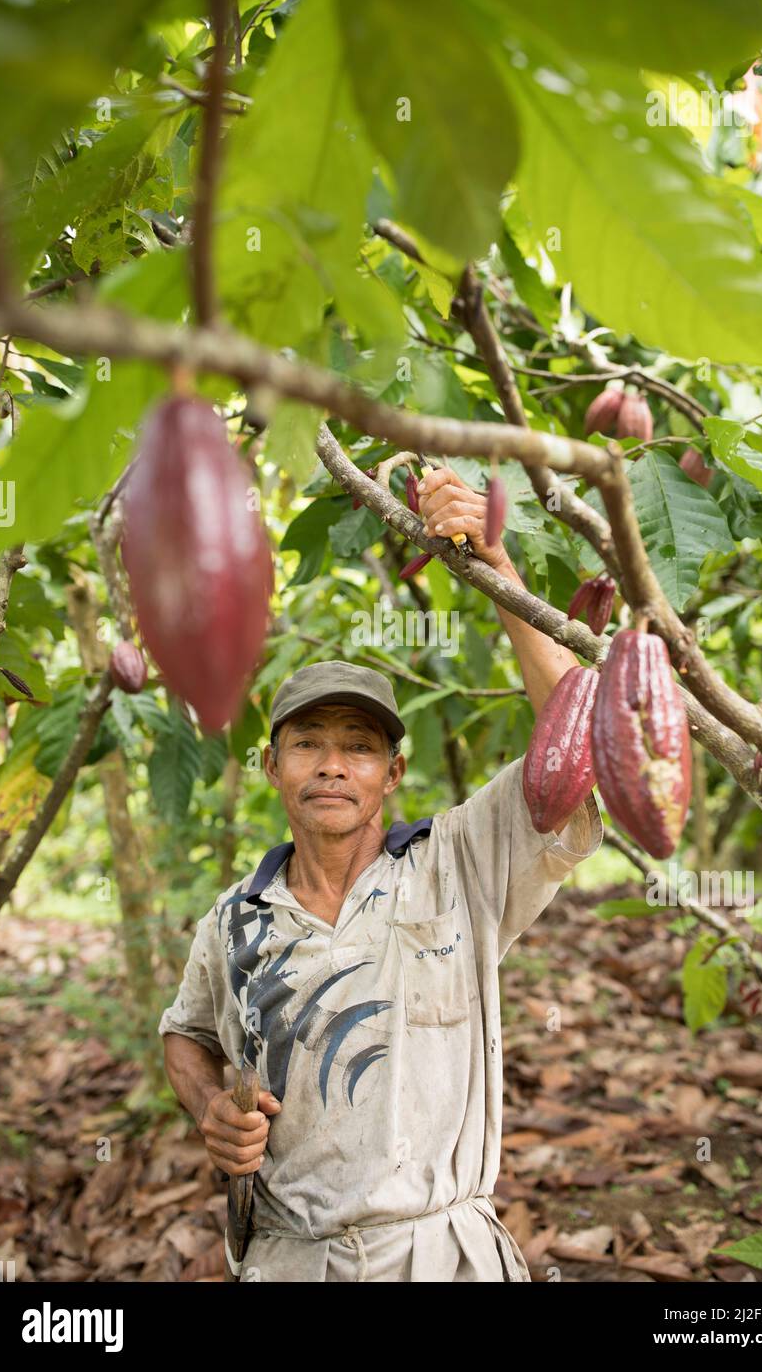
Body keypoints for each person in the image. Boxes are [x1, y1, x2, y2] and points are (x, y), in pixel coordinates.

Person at [159, 465, 603, 1281]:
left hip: (440, 1253)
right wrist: (209, 1110)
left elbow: (574, 753)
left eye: (359, 747)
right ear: (271, 765)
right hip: (292, 1258)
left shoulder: (458, 864)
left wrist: (498, 571)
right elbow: (185, 1033)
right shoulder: (233, 922)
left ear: (392, 774)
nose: (333, 766)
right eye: (308, 743)